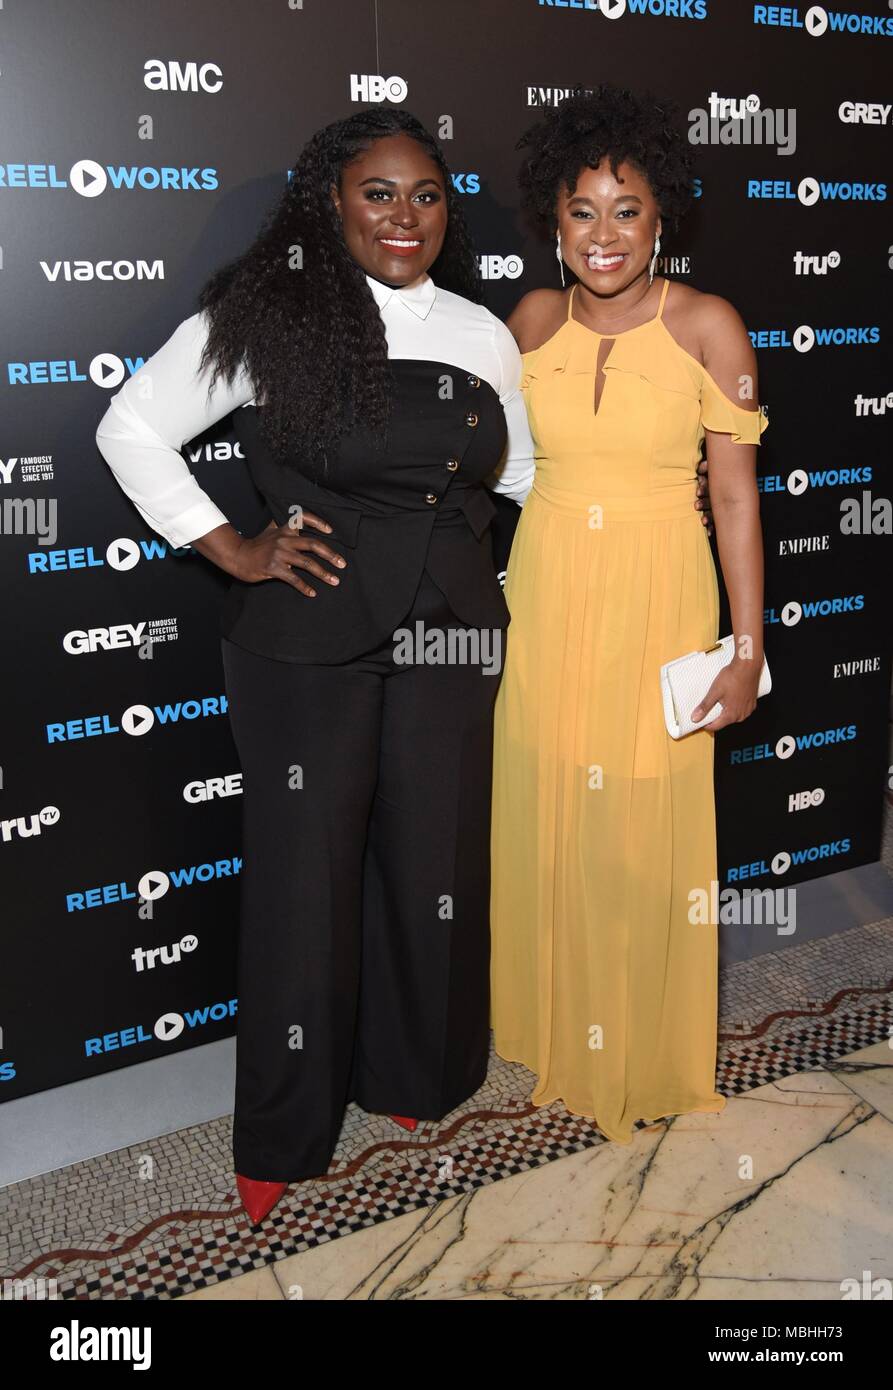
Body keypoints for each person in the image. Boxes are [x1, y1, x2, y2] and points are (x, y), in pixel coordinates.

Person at [95, 108, 535, 1224]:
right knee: (306, 877)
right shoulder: (268, 315)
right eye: (378, 192)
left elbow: (520, 475)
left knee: (431, 861)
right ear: (329, 202)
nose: (405, 216)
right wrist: (232, 546)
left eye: (426, 194)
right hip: (305, 636)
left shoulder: (482, 333)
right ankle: (283, 1131)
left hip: (449, 635)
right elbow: (131, 426)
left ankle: (413, 1075)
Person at [489, 86, 767, 1143]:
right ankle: (543, 1021)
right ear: (550, 221)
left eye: (626, 210)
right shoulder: (528, 320)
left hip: (659, 594)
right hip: (551, 586)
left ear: (662, 219)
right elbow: (505, 469)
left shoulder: (707, 325)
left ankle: (636, 1044)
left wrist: (744, 649)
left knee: (641, 825)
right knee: (545, 796)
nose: (602, 235)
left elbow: (735, 496)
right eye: (580, 211)